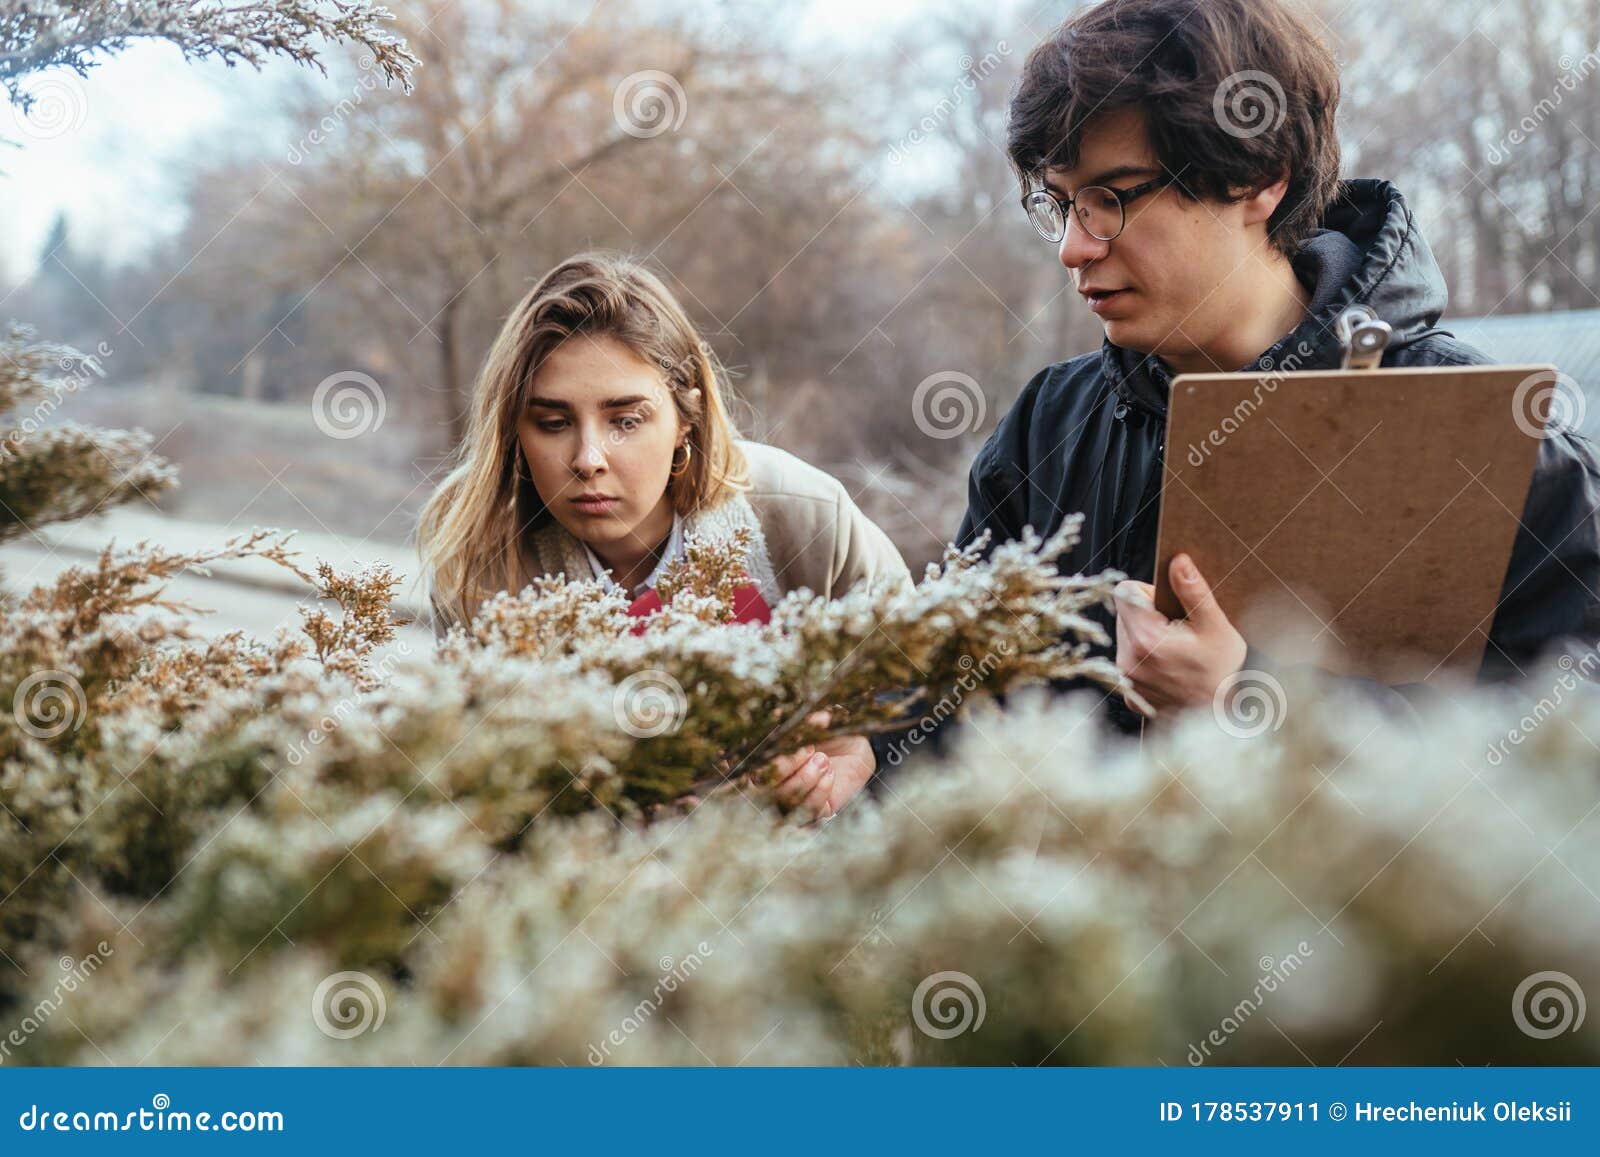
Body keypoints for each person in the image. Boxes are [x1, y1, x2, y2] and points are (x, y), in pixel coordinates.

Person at [955, 0, 1600, 736]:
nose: (1073, 247)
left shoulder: (1498, 436)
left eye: (1109, 198)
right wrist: (862, 754)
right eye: (1062, 204)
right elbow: (945, 712)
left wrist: (1253, 699)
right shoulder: (1048, 427)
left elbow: (1567, 755)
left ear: (1261, 177)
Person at [418, 252, 910, 813]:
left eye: (626, 420)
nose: (587, 458)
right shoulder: (479, 557)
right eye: (552, 423)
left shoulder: (804, 515)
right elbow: (494, 794)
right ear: (514, 432)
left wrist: (862, 755)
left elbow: (926, 696)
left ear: (686, 416)